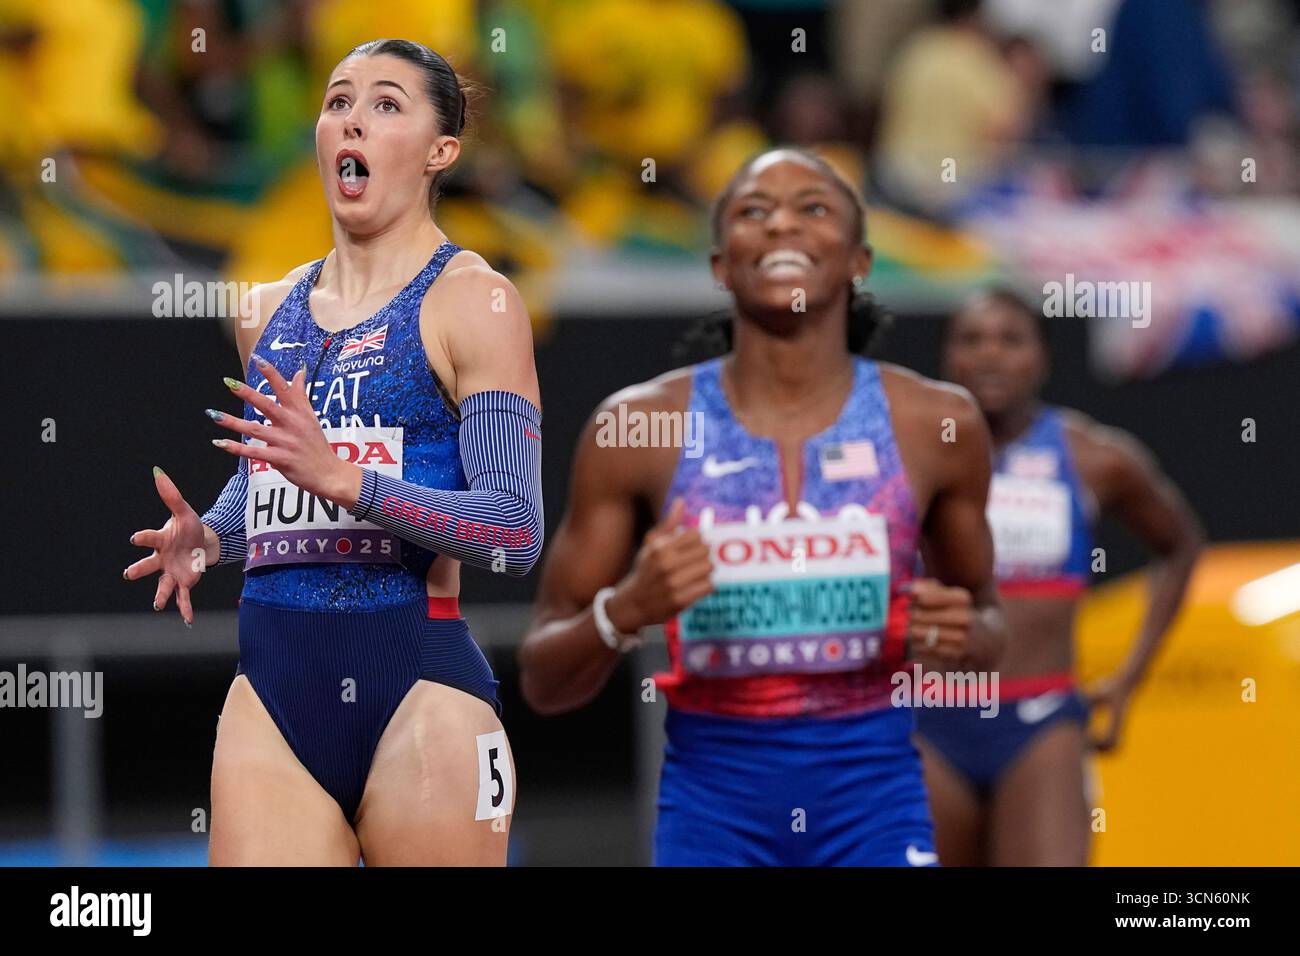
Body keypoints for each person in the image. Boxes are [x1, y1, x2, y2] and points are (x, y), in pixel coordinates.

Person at [518, 148, 1007, 866]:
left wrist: (960, 637)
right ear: (720, 265)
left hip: (874, 803)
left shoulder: (937, 424)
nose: (781, 224)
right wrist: (625, 610)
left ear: (860, 261)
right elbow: (541, 680)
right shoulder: (638, 429)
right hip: (713, 811)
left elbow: (991, 636)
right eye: (753, 211)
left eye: (812, 208)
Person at [124, 39, 543, 866]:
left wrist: (352, 482)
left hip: (420, 694)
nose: (352, 118)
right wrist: (211, 536)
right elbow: (272, 483)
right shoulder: (266, 308)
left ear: (439, 151)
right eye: (338, 100)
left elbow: (513, 530)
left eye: (387, 104)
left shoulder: (475, 301)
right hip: (273, 695)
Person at [916, 287, 1203, 865]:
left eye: (1010, 340)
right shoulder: (910, 453)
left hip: (1040, 721)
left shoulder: (1093, 456)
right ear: (949, 356)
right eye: (972, 340)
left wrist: (1129, 678)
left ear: (1041, 358)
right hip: (926, 721)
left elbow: (1179, 544)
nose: (990, 355)